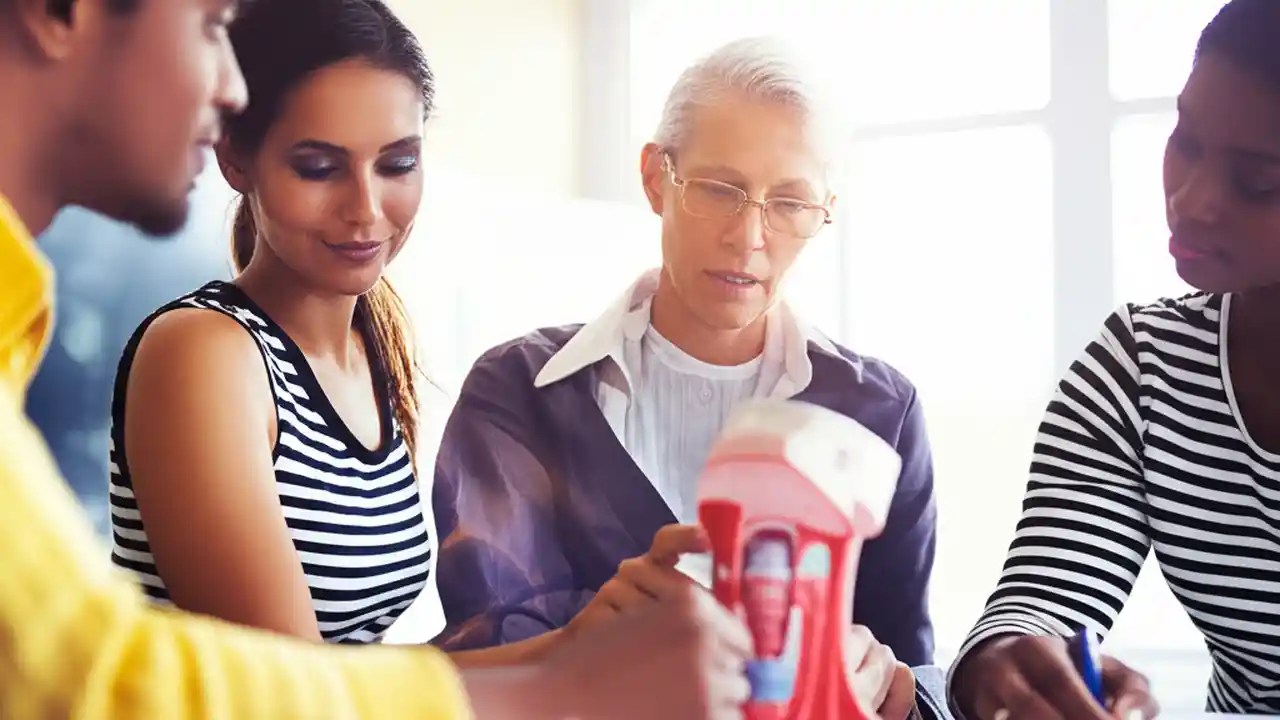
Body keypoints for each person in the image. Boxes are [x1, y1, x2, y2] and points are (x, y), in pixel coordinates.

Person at [0, 0, 755, 717]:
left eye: (396, 163)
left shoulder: (376, 349)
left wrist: (585, 641)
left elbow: (361, 671)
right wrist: (568, 675)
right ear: (238, 160)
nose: (366, 209)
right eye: (318, 167)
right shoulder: (205, 353)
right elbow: (286, 688)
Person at [432, 37, 943, 719]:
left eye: (789, 203)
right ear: (654, 179)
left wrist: (895, 687)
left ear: (825, 213)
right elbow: (487, 651)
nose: (748, 237)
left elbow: (906, 661)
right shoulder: (520, 390)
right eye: (718, 190)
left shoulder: (878, 414)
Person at [948, 1, 1280, 717]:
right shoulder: (1144, 368)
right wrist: (1005, 671)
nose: (1191, 202)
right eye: (1186, 141)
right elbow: (1042, 599)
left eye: (1257, 182)